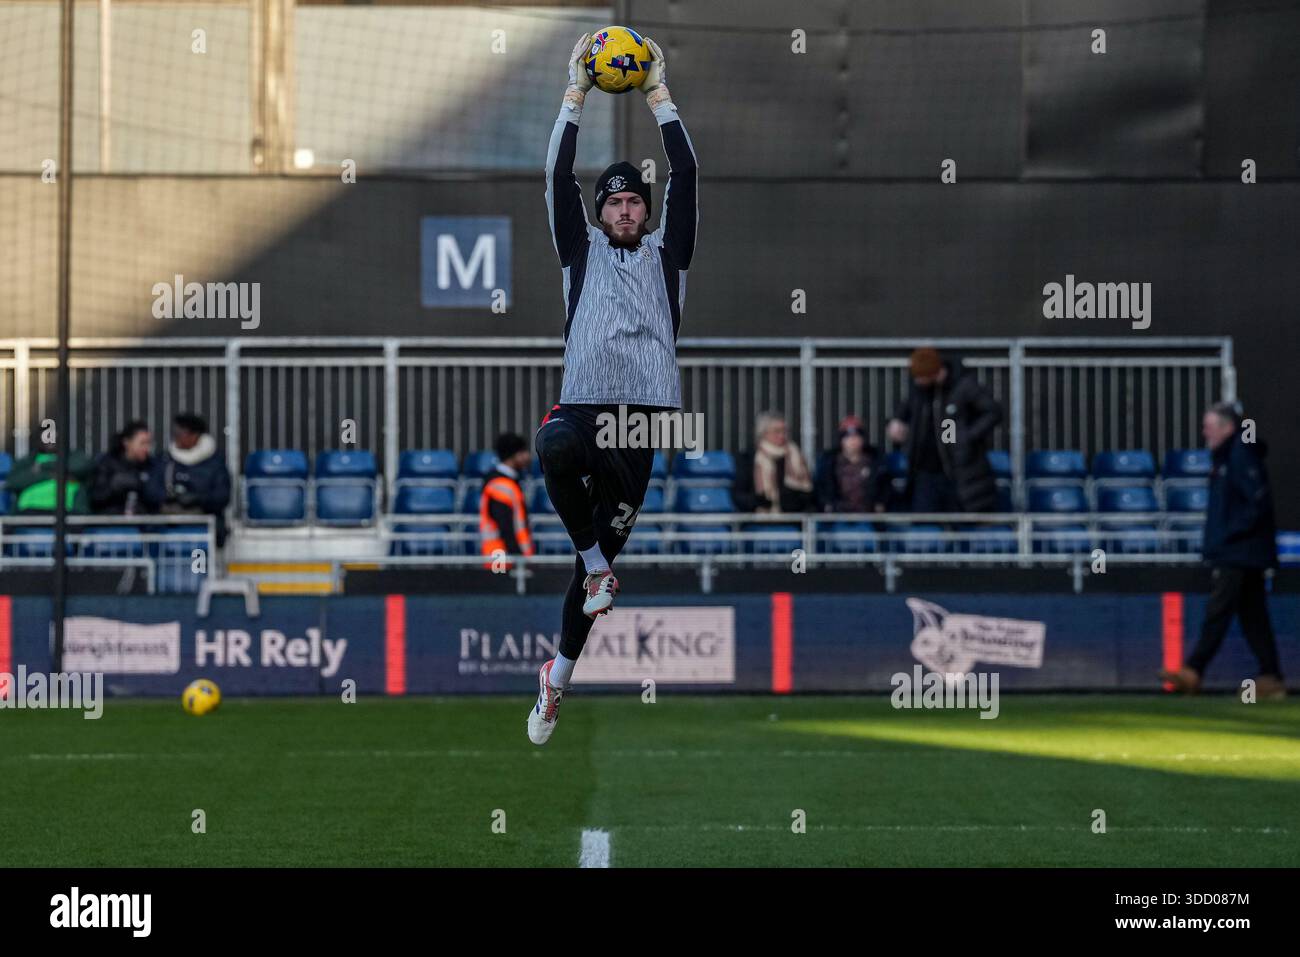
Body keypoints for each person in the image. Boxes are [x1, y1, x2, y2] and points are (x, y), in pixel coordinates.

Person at [529, 32, 698, 745]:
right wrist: (577, 94)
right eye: (615, 202)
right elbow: (555, 176)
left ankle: (555, 682)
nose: (626, 210)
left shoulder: (669, 255)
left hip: (647, 423)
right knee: (553, 443)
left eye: (634, 201)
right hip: (586, 404)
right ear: (600, 213)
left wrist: (658, 92)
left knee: (589, 586)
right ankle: (596, 562)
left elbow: (687, 173)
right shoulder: (581, 250)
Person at [1161, 403, 1285, 699]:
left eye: (1209, 426)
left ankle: (1193, 670)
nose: (1205, 433)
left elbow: (1256, 501)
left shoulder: (1240, 454)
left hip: (1240, 553)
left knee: (1218, 611)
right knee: (1253, 616)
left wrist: (1228, 537)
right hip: (1243, 551)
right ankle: (1271, 676)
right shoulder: (1229, 455)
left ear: (1227, 427)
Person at [886, 347, 1002, 513]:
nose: (917, 381)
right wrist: (896, 422)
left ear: (934, 373)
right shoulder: (919, 389)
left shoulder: (963, 386)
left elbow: (993, 412)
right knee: (925, 525)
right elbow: (906, 408)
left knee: (960, 524)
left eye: (921, 378)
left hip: (958, 470)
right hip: (923, 471)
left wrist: (967, 436)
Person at [146, 412, 232, 546]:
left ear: (195, 435)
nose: (177, 437)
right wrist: (169, 496)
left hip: (204, 525)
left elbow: (222, 496)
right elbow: (150, 490)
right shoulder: (165, 460)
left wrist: (198, 499)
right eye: (175, 433)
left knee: (197, 565)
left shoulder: (215, 463)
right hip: (167, 524)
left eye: (181, 433)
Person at [733, 412, 815, 514]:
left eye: (785, 431)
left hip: (792, 517)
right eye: (777, 431)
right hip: (756, 517)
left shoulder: (795, 456)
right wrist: (761, 501)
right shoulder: (747, 458)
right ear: (763, 433)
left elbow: (808, 493)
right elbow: (740, 495)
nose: (782, 435)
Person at [479, 433, 534, 569]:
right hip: (503, 560)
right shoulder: (501, 485)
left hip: (503, 558)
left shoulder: (505, 482)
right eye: (524, 452)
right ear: (514, 455)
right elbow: (506, 526)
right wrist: (519, 557)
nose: (528, 456)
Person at [814, 415, 890, 513]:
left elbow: (886, 487)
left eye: (856, 436)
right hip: (837, 515)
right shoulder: (829, 461)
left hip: (869, 515)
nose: (852, 440)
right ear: (841, 440)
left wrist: (880, 503)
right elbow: (820, 488)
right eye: (848, 437)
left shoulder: (877, 461)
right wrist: (826, 504)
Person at [3, 440, 95, 514]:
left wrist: (42, 467)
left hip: (68, 511)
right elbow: (12, 482)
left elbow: (80, 467)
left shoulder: (74, 456)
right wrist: (52, 475)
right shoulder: (28, 461)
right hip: (30, 509)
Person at [90, 421, 159, 516]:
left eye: (148, 443)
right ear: (126, 442)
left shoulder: (151, 465)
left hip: (142, 525)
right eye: (142, 443)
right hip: (111, 524)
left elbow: (156, 498)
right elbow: (96, 497)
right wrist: (113, 486)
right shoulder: (107, 463)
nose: (147, 448)